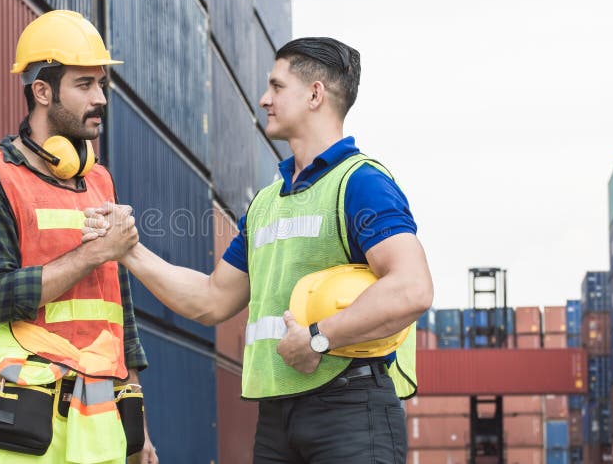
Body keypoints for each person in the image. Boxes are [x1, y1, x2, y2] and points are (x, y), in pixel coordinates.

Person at [83, 37, 433, 464]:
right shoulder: (267, 203)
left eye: (277, 86)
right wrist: (128, 251)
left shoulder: (360, 183)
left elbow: (412, 288)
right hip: (277, 417)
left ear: (315, 94)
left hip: (351, 410)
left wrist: (320, 339)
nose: (264, 99)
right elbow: (211, 300)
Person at [0, 10, 158, 464]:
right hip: (15, 424)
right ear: (42, 91)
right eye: (84, 85)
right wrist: (93, 253)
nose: (100, 98)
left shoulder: (101, 181)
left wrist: (139, 429)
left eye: (101, 84)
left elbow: (119, 313)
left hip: (97, 425)